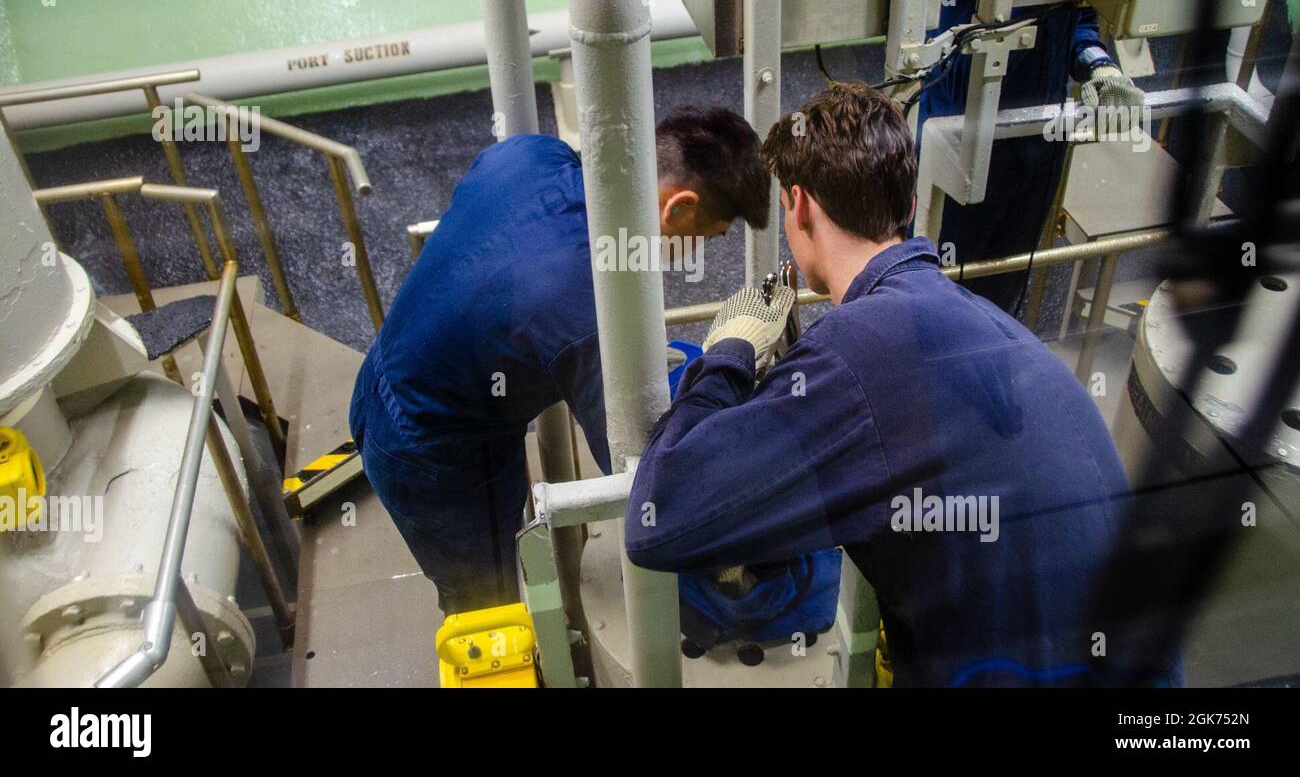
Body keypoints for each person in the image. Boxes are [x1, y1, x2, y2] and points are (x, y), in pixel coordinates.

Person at [626, 83, 1148, 686]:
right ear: (903, 203)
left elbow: (657, 521)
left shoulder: (858, 356)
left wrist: (728, 353)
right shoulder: (982, 321)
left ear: (800, 206)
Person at [349, 107, 771, 616]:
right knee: (487, 612)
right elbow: (645, 467)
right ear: (677, 210)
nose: (697, 252)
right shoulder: (588, 312)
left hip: (383, 371)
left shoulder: (527, 153)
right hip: (434, 455)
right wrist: (730, 363)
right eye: (709, 236)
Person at [920, 0, 1145, 312]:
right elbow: (944, 69)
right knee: (947, 288)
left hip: (1040, 140)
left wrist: (1099, 65)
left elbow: (1078, 18)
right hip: (966, 146)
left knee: (1008, 278)